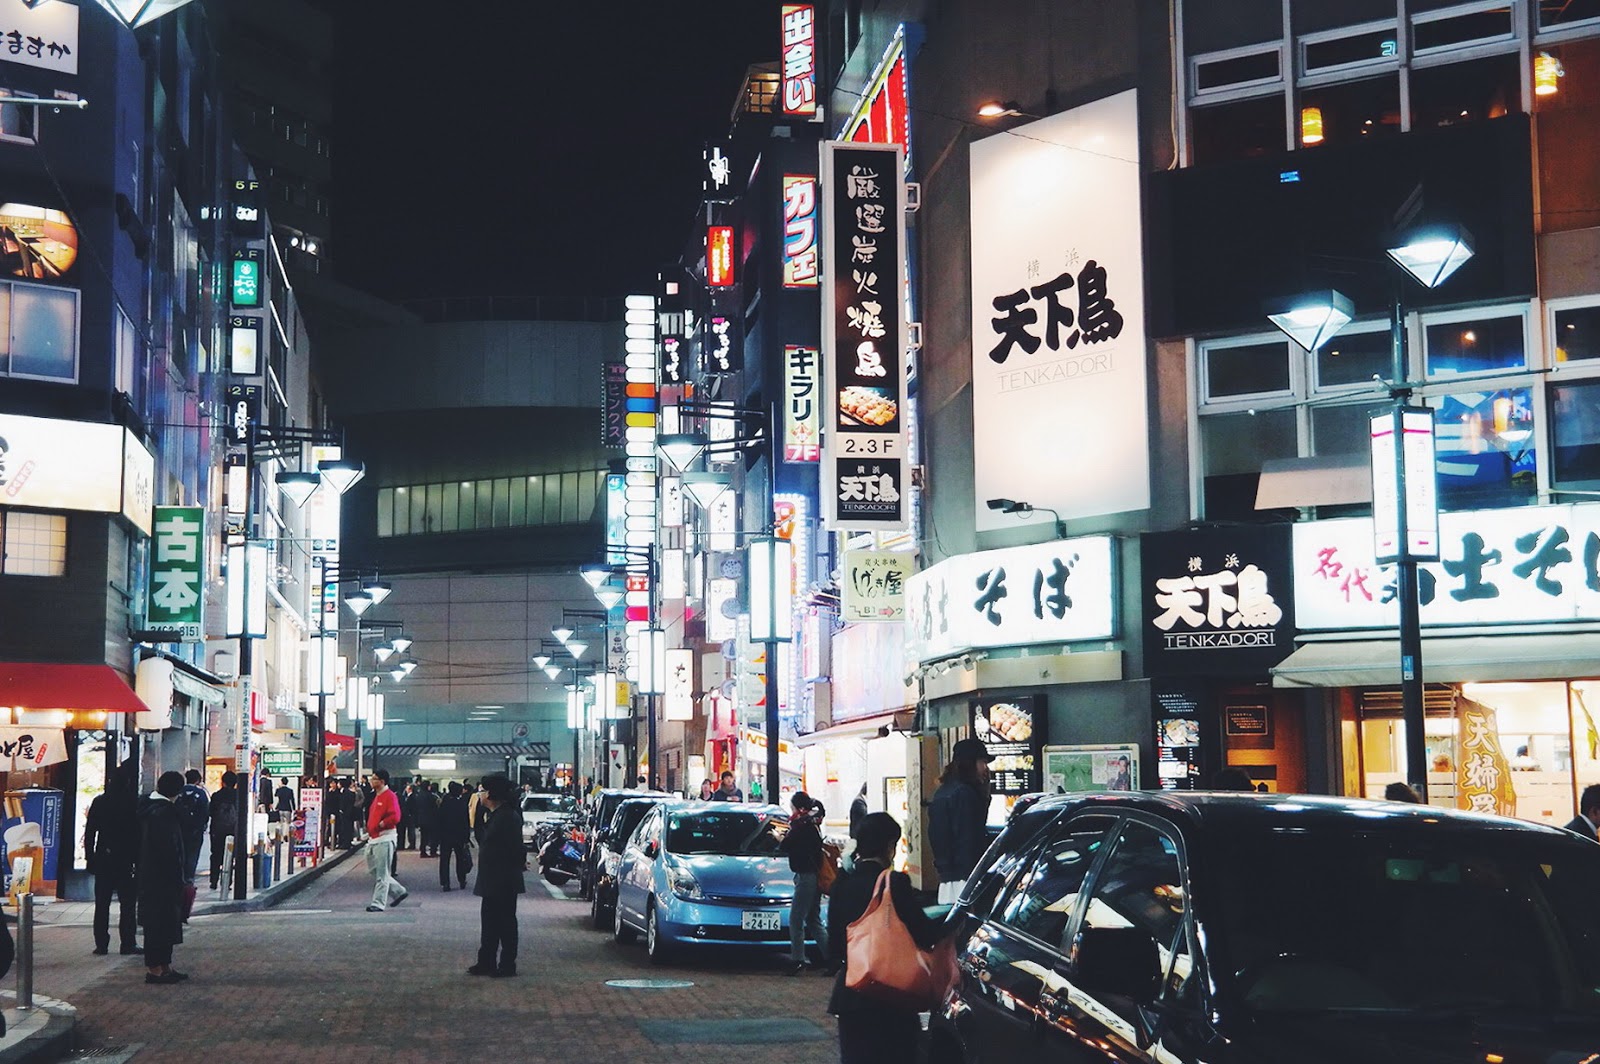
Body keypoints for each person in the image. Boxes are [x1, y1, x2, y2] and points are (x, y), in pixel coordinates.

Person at [827, 813, 947, 1064]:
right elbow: (924, 933)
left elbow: (835, 945)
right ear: (889, 846)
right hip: (891, 995)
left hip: (851, 995)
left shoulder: (842, 883)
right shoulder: (893, 883)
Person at [468, 774, 525, 977]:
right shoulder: (495, 815)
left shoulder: (507, 817)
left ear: (492, 793)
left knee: (505, 924)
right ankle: (486, 961)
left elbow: (509, 850)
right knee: (490, 923)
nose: (480, 794)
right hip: (492, 879)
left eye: (483, 790)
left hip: (503, 880)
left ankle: (507, 964)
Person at [927, 737, 994, 904]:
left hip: (947, 878)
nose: (985, 769)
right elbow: (970, 838)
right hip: (966, 877)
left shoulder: (943, 792)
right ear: (970, 763)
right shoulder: (965, 794)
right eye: (982, 762)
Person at [84, 764, 140, 956]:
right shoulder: (133, 802)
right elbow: (138, 834)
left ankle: (101, 944)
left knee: (102, 904)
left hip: (104, 858)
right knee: (128, 904)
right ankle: (128, 943)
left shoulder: (100, 801)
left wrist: (90, 857)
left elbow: (90, 831)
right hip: (126, 860)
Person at [138, 771, 189, 984]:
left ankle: (164, 966)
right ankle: (155, 969)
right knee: (157, 924)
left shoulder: (153, 808)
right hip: (160, 878)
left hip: (153, 877)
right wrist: (177, 874)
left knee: (165, 923)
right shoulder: (161, 813)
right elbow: (168, 849)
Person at [778, 791, 826, 975]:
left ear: (799, 809)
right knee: (813, 919)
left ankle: (798, 960)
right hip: (812, 875)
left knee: (796, 919)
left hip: (806, 876)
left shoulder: (801, 825)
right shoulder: (812, 824)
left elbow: (786, 845)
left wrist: (780, 838)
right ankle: (832, 957)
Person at [364, 770, 408, 912]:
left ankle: (378, 903)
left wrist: (381, 824)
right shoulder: (377, 796)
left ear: (382, 781)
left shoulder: (389, 796)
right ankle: (398, 891)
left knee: (382, 873)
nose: (371, 781)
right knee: (374, 870)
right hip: (374, 838)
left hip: (384, 837)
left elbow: (395, 816)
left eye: (374, 779)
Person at [207, 770, 241, 891]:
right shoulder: (239, 796)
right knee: (230, 856)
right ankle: (227, 882)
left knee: (216, 855)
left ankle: (213, 881)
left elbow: (210, 812)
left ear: (223, 782)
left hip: (217, 830)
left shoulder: (216, 795)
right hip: (233, 830)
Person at [173, 770, 209, 883]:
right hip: (196, 830)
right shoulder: (201, 793)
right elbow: (206, 812)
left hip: (179, 829)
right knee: (193, 854)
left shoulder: (179, 792)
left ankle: (180, 876)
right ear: (198, 780)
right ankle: (189, 877)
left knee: (179, 853)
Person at [437, 781, 474, 891]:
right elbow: (465, 821)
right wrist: (467, 836)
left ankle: (445, 883)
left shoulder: (444, 803)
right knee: (460, 858)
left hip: (445, 835)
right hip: (459, 835)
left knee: (444, 860)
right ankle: (462, 880)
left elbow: (439, 819)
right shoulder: (461, 803)